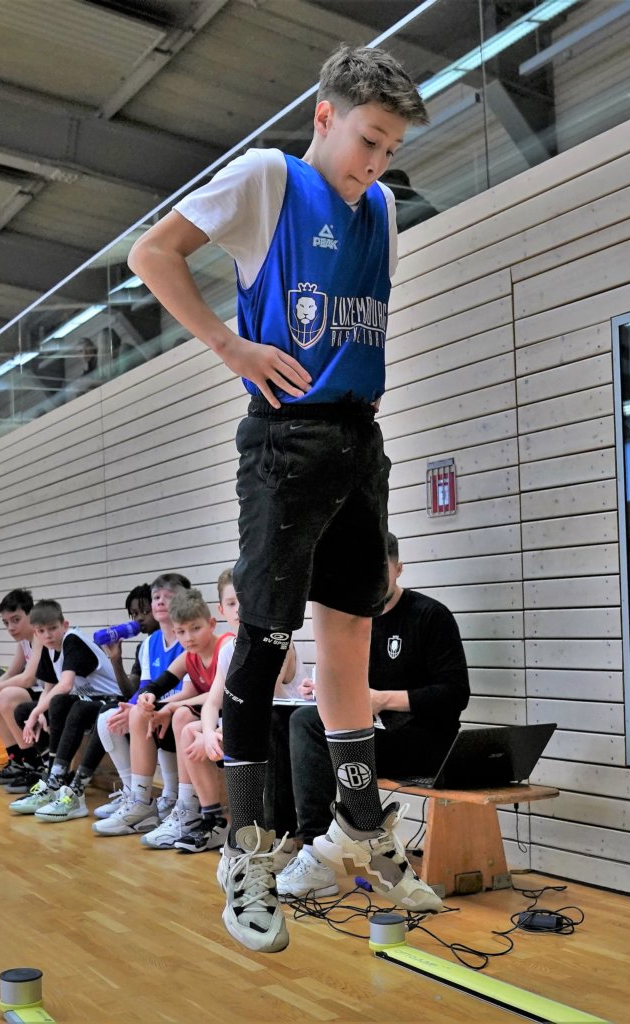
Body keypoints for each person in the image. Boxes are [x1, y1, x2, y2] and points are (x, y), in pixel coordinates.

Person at [128, 43, 437, 952]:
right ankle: (246, 853)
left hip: (359, 439)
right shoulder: (269, 180)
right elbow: (153, 253)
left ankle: (357, 831)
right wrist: (232, 349)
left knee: (347, 642)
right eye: (367, 140)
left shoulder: (379, 205)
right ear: (324, 118)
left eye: (390, 148)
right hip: (286, 439)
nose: (376, 163)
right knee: (263, 640)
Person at [275, 532, 470, 898]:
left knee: (309, 727)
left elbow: (455, 694)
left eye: (381, 572)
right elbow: (348, 689)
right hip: (371, 732)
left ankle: (321, 852)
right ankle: (299, 842)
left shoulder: (431, 616)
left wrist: (382, 700)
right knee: (291, 719)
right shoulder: (353, 622)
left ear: (398, 569)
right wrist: (322, 692)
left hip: (425, 741)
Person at [175, 569, 299, 854]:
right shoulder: (230, 648)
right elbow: (211, 703)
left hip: (282, 730)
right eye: (232, 603)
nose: (241, 609)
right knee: (190, 731)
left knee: (244, 728)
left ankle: (274, 834)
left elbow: (261, 697)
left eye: (248, 600)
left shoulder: (279, 642)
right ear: (221, 609)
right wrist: (208, 733)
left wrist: (222, 730)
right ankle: (214, 818)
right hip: (253, 726)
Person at [92, 572, 190, 831]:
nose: (159, 602)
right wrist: (132, 705)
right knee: (109, 718)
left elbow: (190, 690)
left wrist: (140, 708)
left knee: (147, 716)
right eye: (156, 597)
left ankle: (169, 797)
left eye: (167, 598)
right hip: (158, 707)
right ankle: (134, 795)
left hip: (185, 707)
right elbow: (146, 687)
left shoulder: (190, 636)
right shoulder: (150, 643)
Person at [7, 599, 122, 820]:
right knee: (32, 709)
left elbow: (65, 685)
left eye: (52, 628)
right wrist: (38, 712)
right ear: (36, 634)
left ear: (65, 625)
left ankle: (74, 790)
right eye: (42, 631)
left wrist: (35, 714)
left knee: (70, 705)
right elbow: (50, 688)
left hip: (113, 701)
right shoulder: (51, 649)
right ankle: (53, 780)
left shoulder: (72, 641)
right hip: (86, 701)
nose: (48, 635)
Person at [0, 589, 59, 786]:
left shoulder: (39, 636)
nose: (10, 627)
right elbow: (11, 672)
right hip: (42, 693)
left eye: (16, 619)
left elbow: (28, 679)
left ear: (31, 615)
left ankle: (33, 763)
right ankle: (17, 760)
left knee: (7, 695)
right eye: (6, 622)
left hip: (57, 693)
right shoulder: (23, 641)